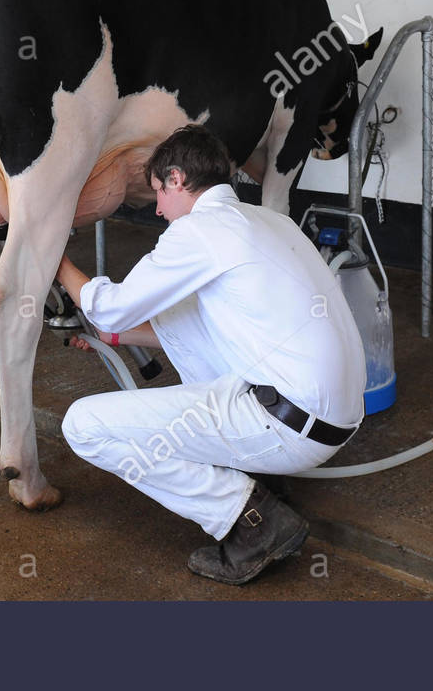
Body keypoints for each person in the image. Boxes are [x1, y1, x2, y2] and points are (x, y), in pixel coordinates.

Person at [56, 125, 365, 585]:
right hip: (332, 418)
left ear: (178, 179)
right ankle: (264, 477)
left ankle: (252, 520)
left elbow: (111, 306)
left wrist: (55, 260)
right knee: (185, 308)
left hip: (289, 425)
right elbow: (189, 328)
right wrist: (114, 338)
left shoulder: (200, 232)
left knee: (82, 426)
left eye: (159, 191)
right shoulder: (268, 222)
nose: (159, 209)